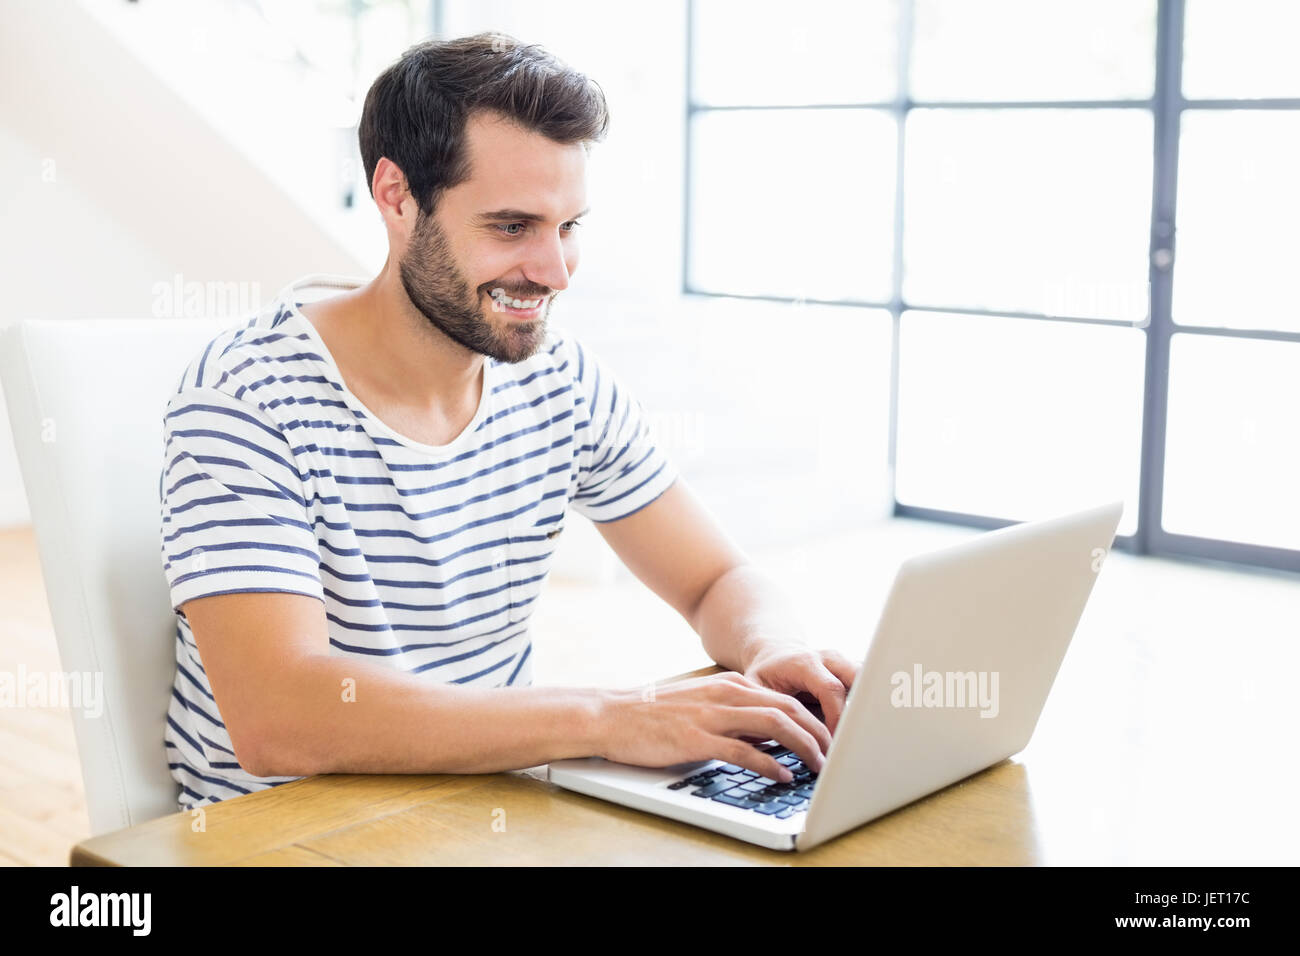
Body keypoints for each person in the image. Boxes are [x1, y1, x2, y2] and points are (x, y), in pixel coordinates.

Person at [160, 31, 858, 810]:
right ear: (396, 197)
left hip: (484, 809)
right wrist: (609, 719)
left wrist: (774, 649)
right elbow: (281, 718)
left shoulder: (559, 381)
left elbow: (716, 579)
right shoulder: (246, 395)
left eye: (568, 227)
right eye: (512, 227)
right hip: (282, 832)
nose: (555, 272)